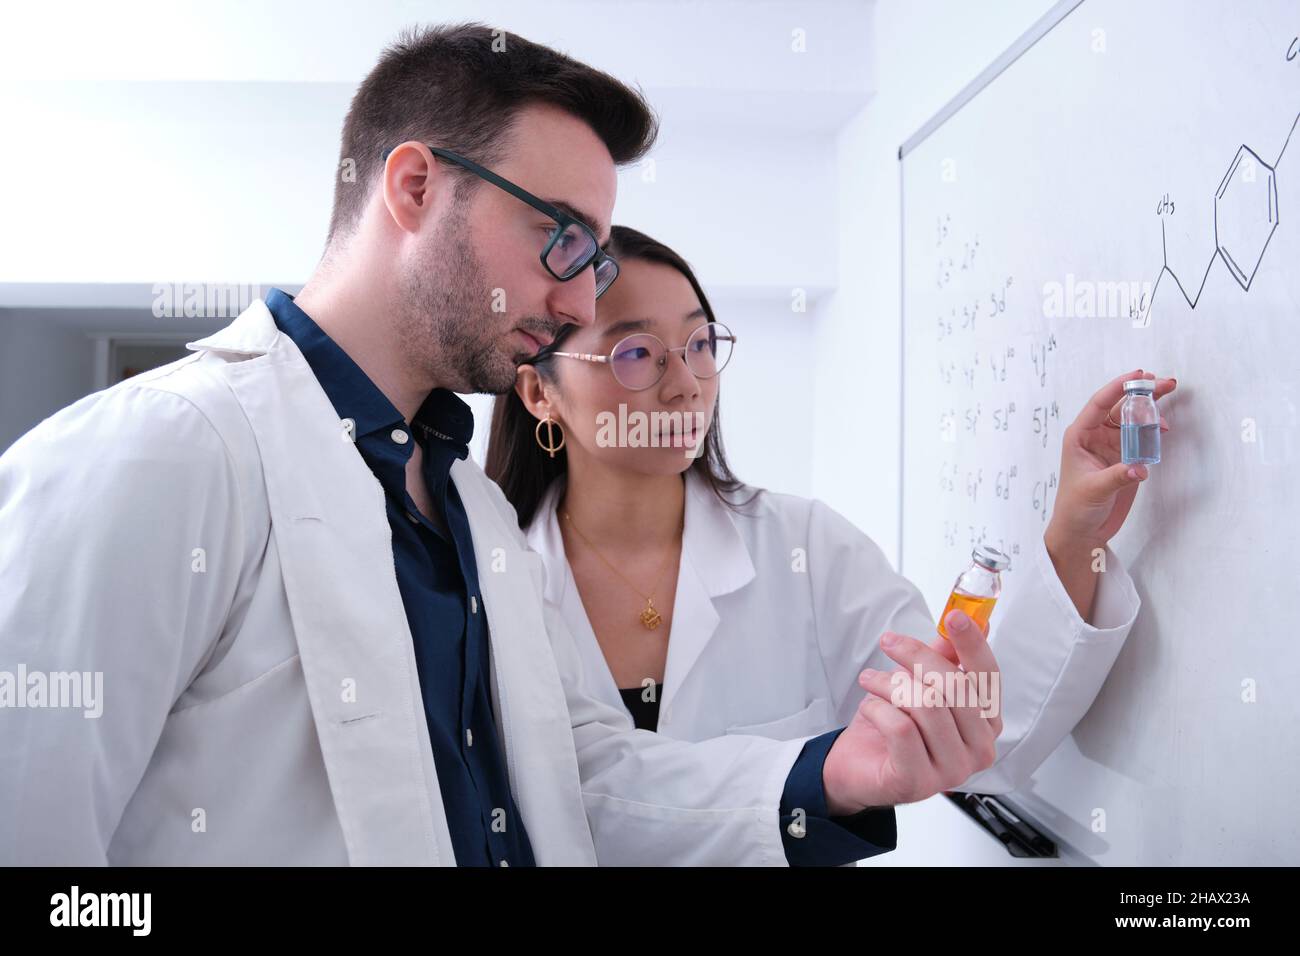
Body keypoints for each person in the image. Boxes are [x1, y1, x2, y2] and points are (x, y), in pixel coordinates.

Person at [0, 24, 1004, 867]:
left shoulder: (470, 506)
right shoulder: (166, 453)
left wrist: (830, 771)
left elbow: (575, 773)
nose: (577, 299)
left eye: (596, 256)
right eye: (559, 237)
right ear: (412, 188)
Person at [487, 224, 1175, 794]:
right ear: (540, 393)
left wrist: (1074, 533)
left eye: (700, 345)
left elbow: (974, 733)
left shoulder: (805, 548)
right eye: (636, 352)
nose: (686, 385)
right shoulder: (493, 578)